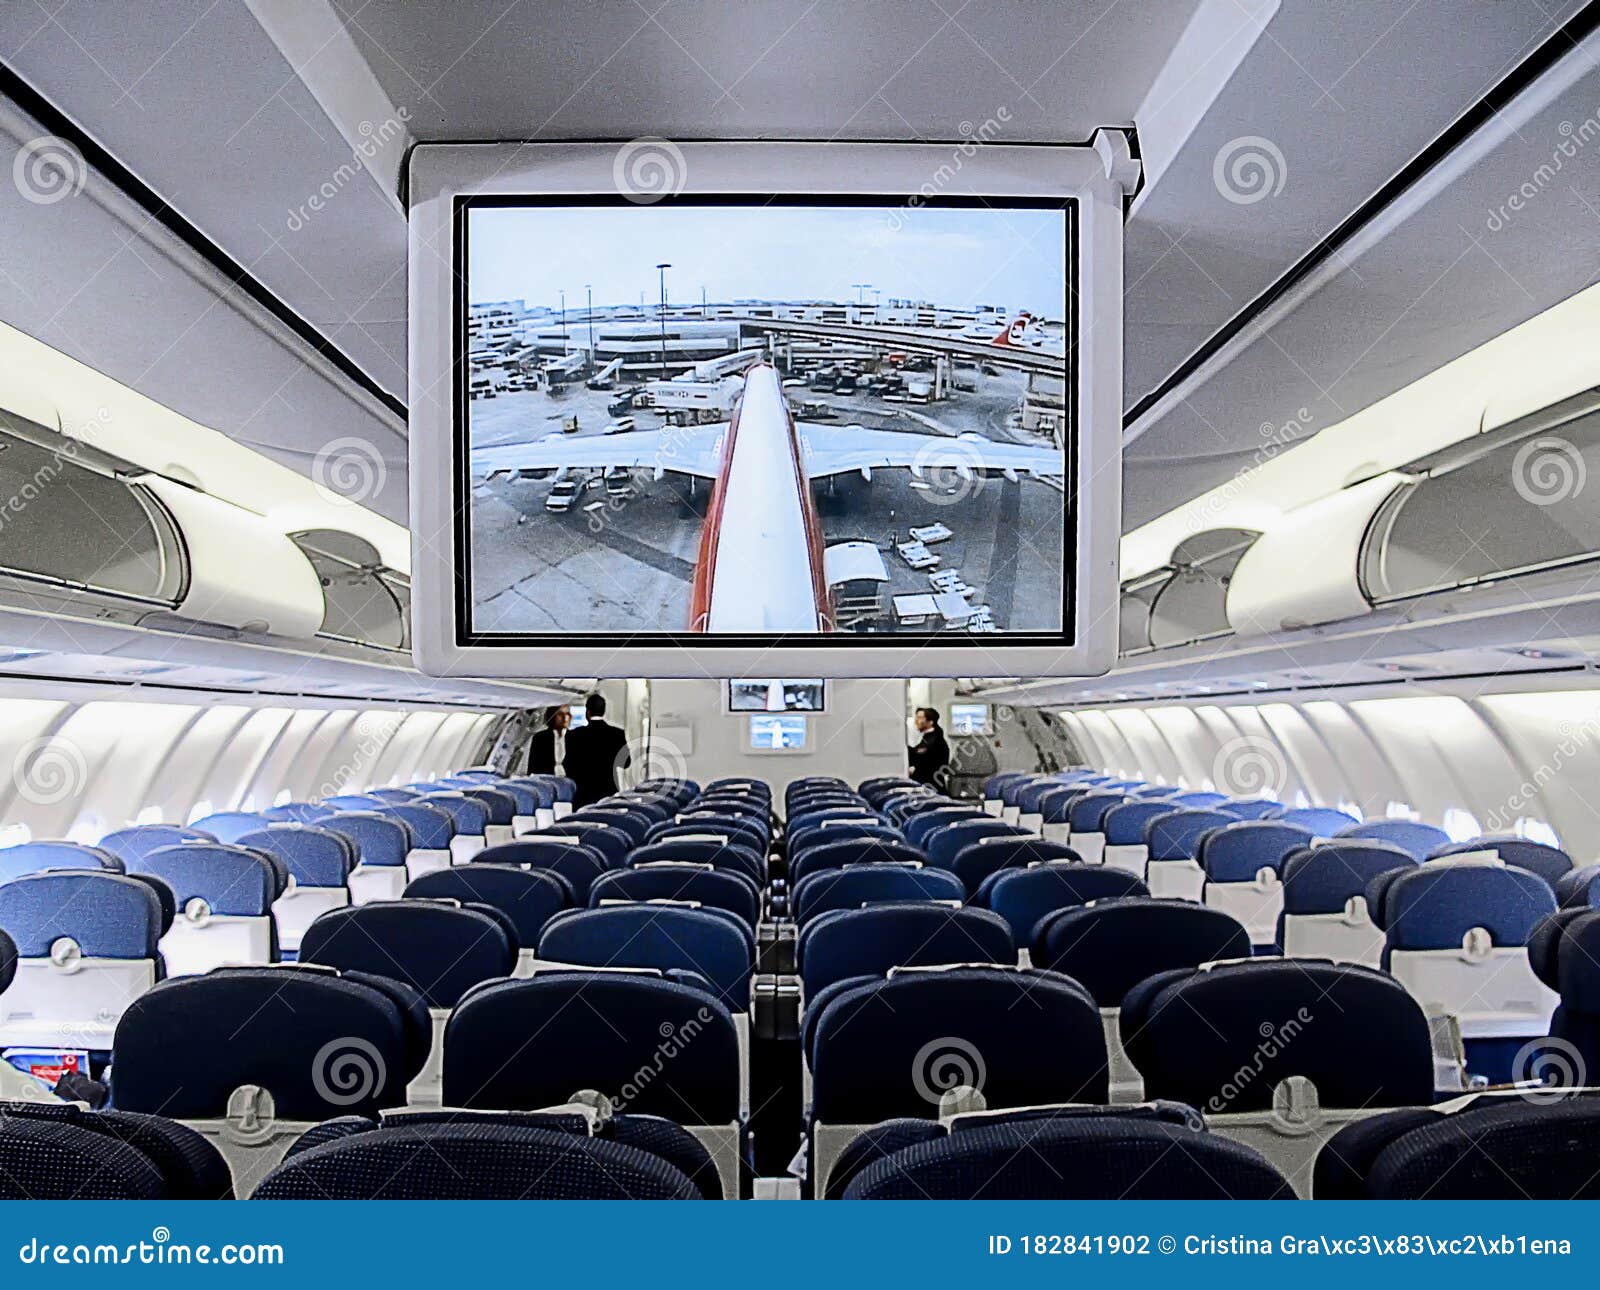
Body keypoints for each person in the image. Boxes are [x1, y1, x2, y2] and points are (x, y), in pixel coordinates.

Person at [563, 692, 629, 807]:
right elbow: (626, 763)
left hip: (582, 794)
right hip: (608, 791)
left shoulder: (573, 735)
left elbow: (567, 765)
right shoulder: (617, 734)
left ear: (587, 711)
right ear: (604, 711)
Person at [908, 707, 950, 787]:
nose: (916, 721)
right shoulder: (928, 739)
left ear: (930, 722)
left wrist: (915, 770)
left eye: (920, 718)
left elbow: (926, 762)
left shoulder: (936, 741)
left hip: (932, 788)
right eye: (916, 718)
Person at [526, 704, 570, 776]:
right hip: (546, 779)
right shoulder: (540, 737)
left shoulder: (575, 736)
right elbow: (533, 764)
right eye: (560, 714)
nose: (565, 718)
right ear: (552, 716)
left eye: (567, 714)